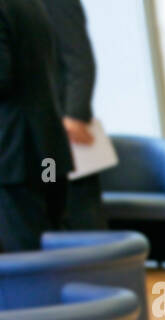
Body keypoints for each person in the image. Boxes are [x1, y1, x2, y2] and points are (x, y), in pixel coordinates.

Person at [0, 0, 70, 252]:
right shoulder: (31, 4)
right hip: (47, 151)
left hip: (14, 156)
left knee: (26, 247)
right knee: (51, 233)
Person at [42, 0, 107, 231]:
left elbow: (79, 60)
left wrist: (74, 115)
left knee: (80, 210)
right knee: (51, 208)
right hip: (43, 134)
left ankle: (99, 267)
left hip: (68, 129)